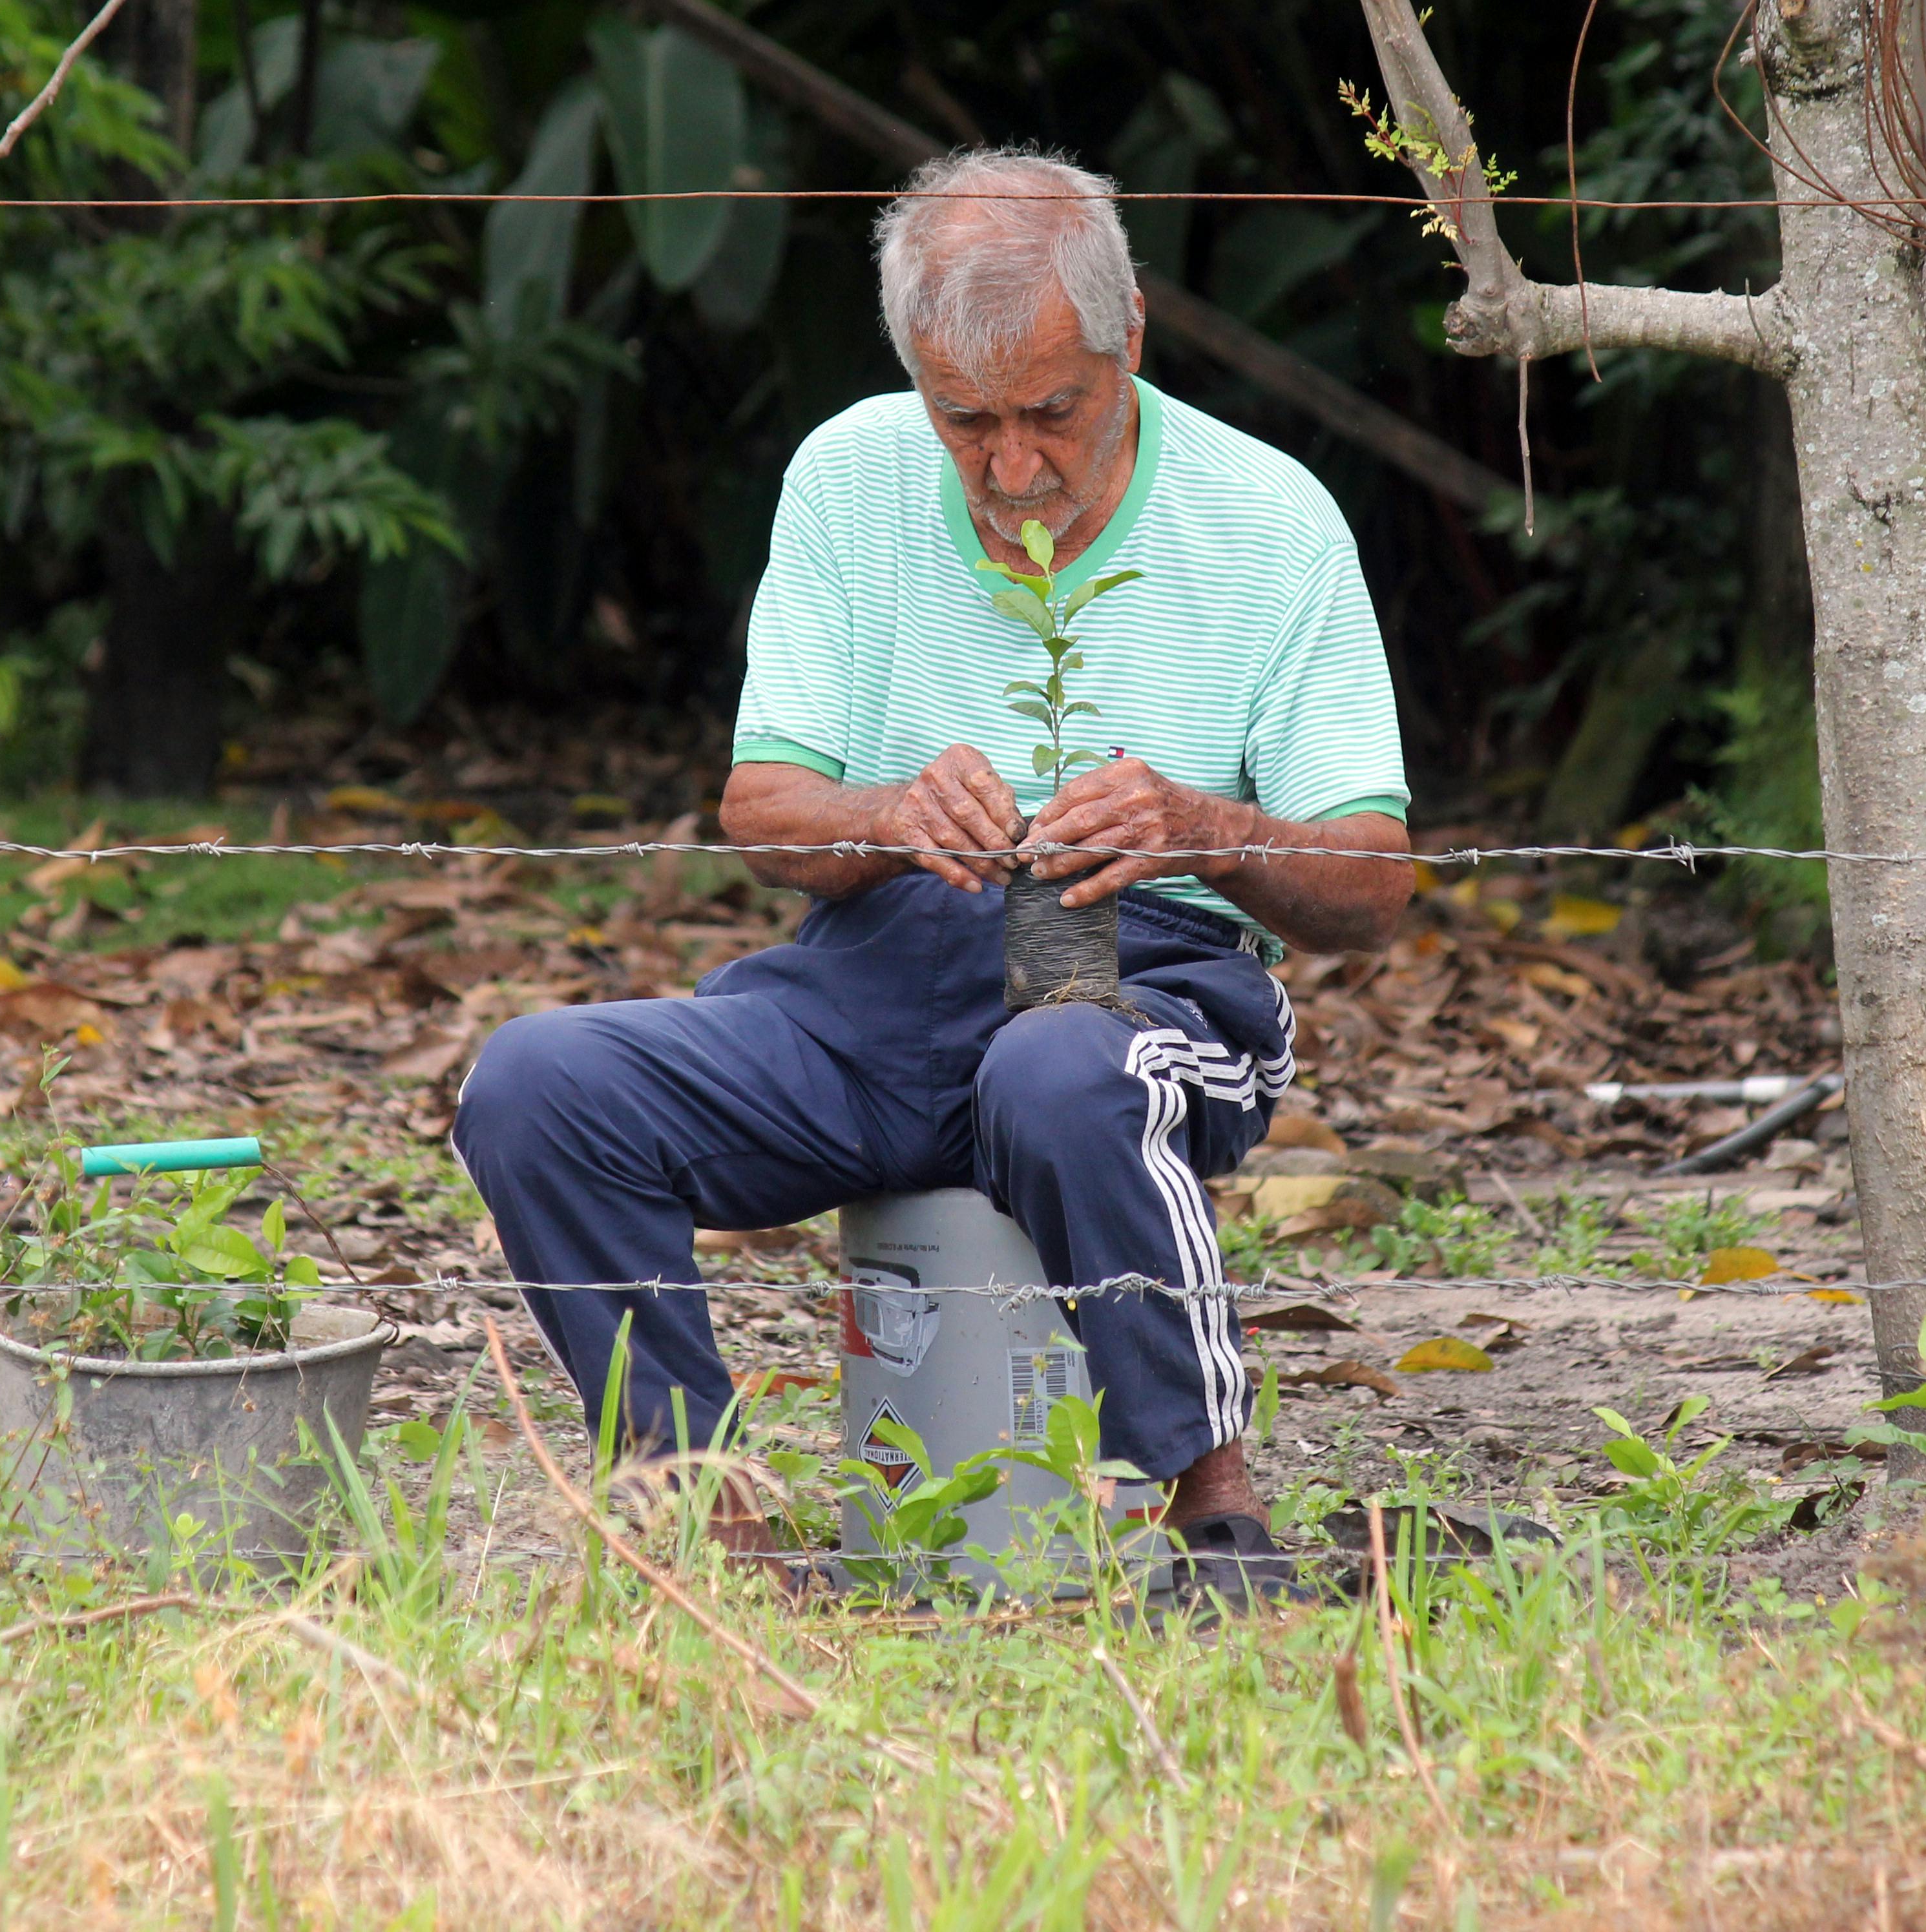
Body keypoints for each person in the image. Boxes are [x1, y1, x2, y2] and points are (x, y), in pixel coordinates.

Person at [454, 147, 1413, 1605]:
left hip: (1155, 981)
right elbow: (764, 811)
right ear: (913, 371)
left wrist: (1201, 829)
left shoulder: (1271, 520)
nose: (1012, 468)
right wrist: (892, 812)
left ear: (1130, 335)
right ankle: (707, 1531)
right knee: (538, 1085)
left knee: (1060, 1074)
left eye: (1053, 413)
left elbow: (1376, 887)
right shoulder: (848, 474)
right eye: (964, 421)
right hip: (876, 986)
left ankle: (1213, 1516)